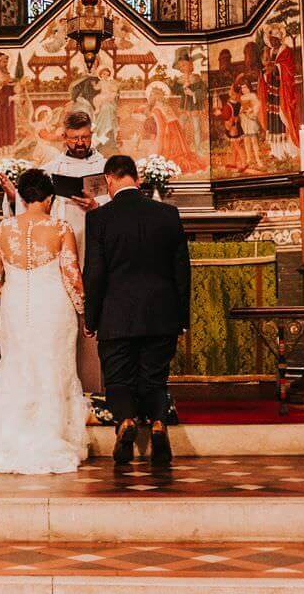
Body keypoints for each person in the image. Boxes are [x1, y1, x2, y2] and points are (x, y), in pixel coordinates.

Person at [0, 169, 89, 474]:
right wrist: (83, 309)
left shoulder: (4, 228)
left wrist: (11, 289)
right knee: (51, 362)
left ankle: (13, 426)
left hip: (15, 305)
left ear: (21, 197)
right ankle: (51, 429)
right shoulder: (61, 228)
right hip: (53, 305)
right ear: (49, 198)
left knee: (18, 360)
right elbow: (72, 276)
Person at [83, 155, 191, 467]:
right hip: (161, 312)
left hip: (116, 313)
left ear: (108, 180)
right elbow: (182, 270)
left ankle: (126, 421)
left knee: (118, 377)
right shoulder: (168, 214)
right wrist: (181, 317)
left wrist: (91, 318)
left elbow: (95, 273)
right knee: (154, 377)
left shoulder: (99, 218)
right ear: (138, 178)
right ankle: (157, 424)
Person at [0, 110, 109, 391]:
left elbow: (119, 212)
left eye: (84, 137)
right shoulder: (51, 170)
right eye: (74, 138)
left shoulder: (106, 169)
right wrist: (13, 198)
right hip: (60, 251)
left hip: (97, 247)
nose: (80, 143)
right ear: (64, 137)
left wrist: (96, 207)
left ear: (92, 134)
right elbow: (31, 212)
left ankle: (95, 386)